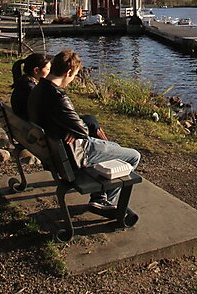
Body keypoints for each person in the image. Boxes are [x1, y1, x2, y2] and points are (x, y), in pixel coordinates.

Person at [27, 49, 139, 217]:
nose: (72, 80)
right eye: (74, 76)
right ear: (69, 72)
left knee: (114, 146)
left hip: (56, 150)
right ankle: (104, 201)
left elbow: (72, 125)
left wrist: (70, 128)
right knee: (132, 156)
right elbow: (83, 130)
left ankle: (100, 196)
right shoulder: (58, 97)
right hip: (74, 154)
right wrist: (74, 129)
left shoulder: (37, 89)